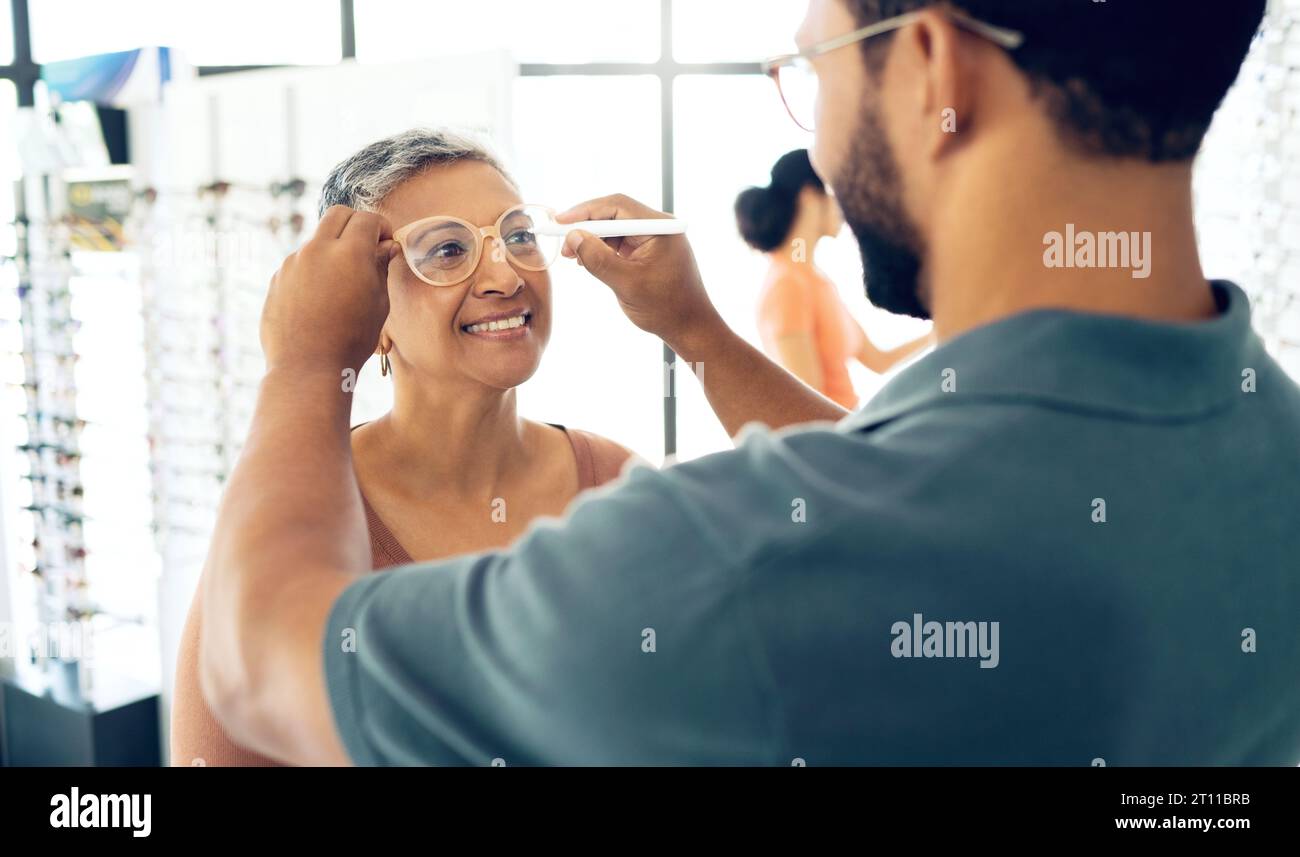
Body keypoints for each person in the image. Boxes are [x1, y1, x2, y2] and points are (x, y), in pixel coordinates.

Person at [196, 0, 1299, 765]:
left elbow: (264, 658)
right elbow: (907, 494)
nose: (810, 142)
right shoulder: (1267, 455)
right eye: (446, 250)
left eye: (810, 66)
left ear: (933, 68)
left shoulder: (713, 559)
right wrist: (698, 331)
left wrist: (306, 363)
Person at [170, 129, 636, 765]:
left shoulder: (619, 484)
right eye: (447, 250)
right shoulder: (296, 527)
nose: (504, 275)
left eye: (518, 236)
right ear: (371, 313)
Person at [736, 149, 931, 407]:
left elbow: (880, 361)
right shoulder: (787, 286)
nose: (843, 206)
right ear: (808, 197)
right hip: (829, 441)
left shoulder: (817, 281)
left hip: (849, 429)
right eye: (833, 192)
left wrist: (945, 331)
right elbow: (808, 408)